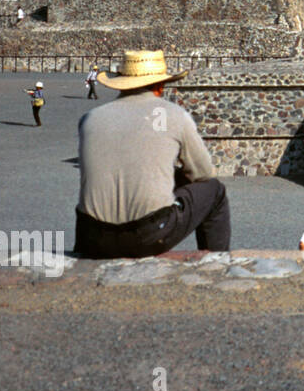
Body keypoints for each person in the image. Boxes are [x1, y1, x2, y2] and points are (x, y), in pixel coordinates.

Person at [74, 50, 231, 258]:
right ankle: (216, 264)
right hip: (147, 236)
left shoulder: (90, 118)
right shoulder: (173, 114)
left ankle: (81, 261)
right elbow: (202, 174)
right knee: (215, 191)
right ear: (159, 86)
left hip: (93, 237)